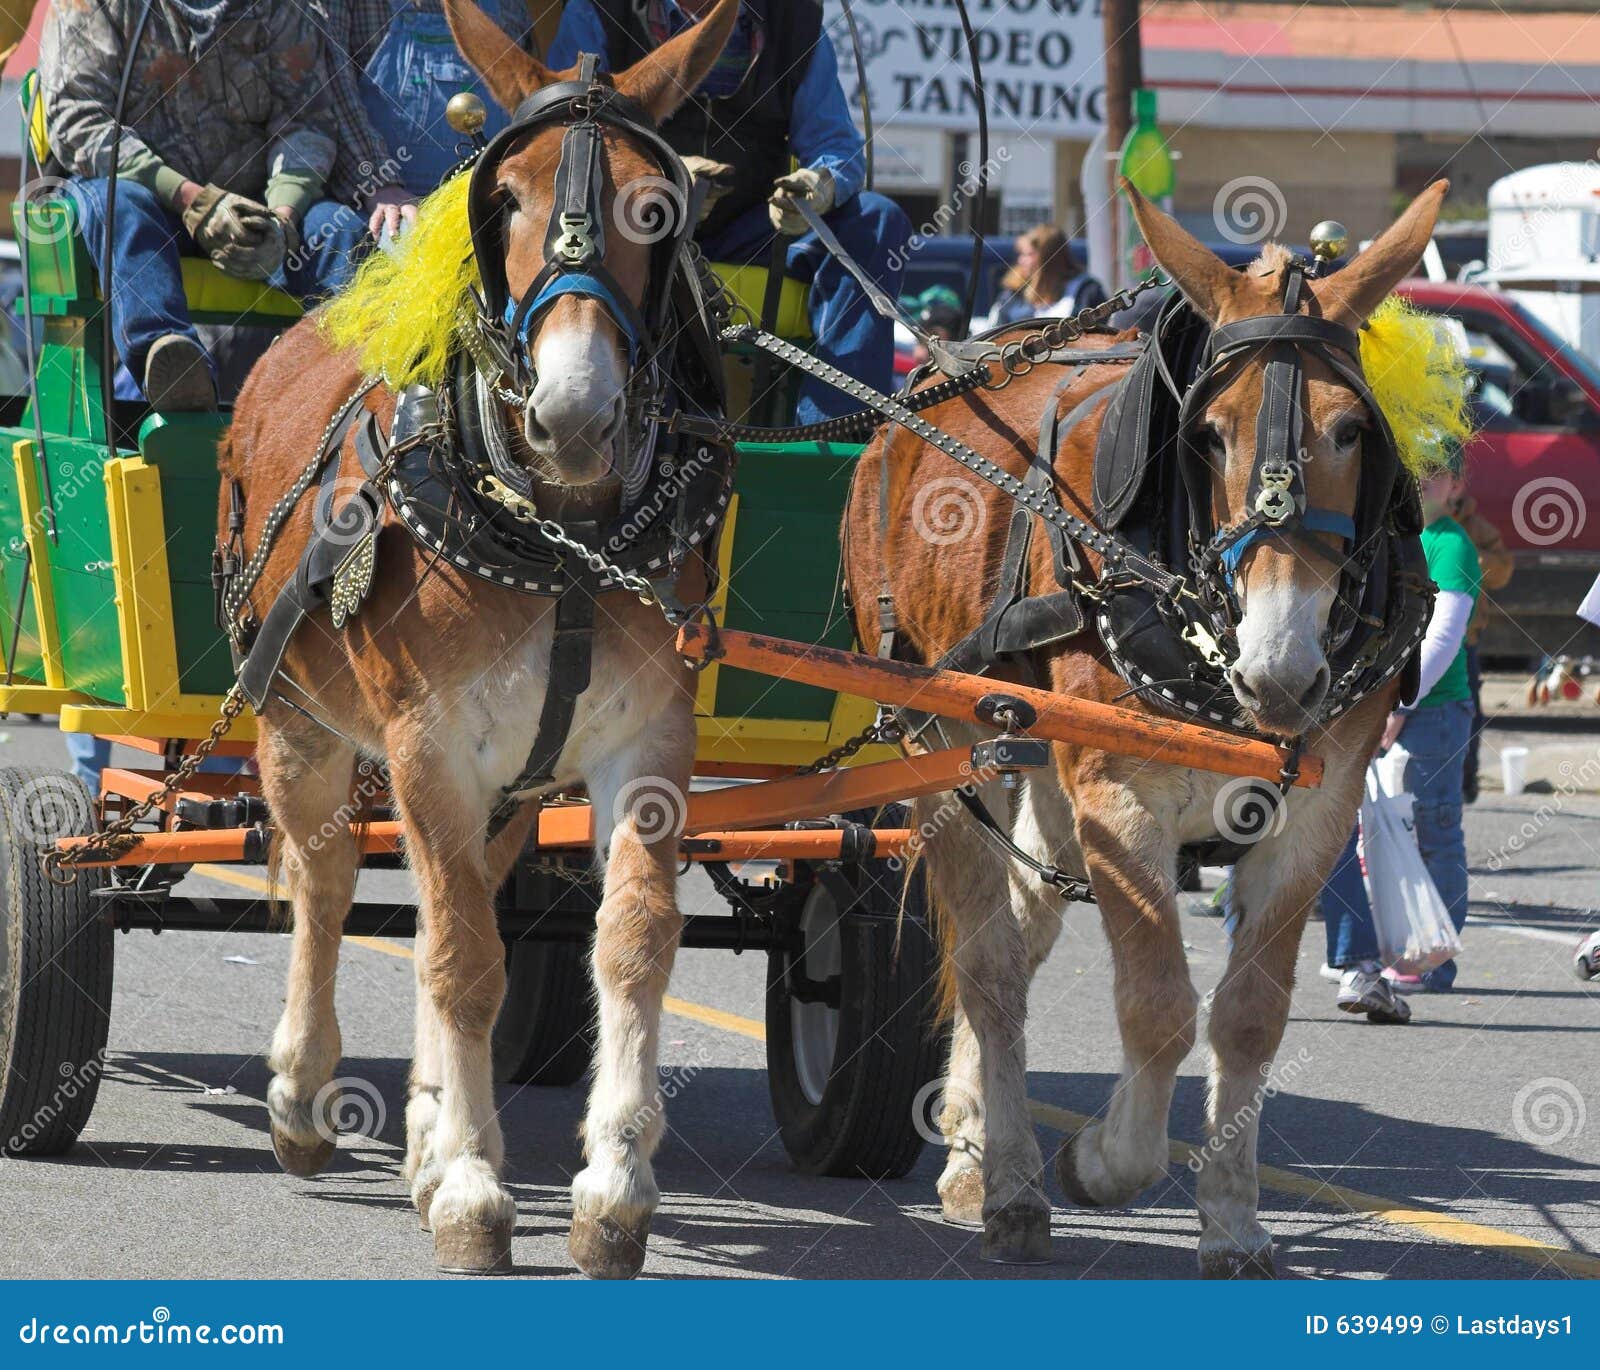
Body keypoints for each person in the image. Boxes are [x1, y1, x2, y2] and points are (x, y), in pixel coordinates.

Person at [546, 0, 909, 424]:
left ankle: (838, 432)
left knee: (876, 219)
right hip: (634, 226)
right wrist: (666, 176)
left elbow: (835, 144)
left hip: (753, 230)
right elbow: (567, 130)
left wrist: (819, 187)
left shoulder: (793, 22)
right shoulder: (598, 11)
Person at [39, 1, 364, 411]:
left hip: (256, 211)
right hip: (146, 199)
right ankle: (172, 363)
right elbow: (78, 121)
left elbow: (308, 118)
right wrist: (192, 198)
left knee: (339, 228)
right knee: (120, 205)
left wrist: (283, 215)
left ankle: (357, 382)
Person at [1321, 461, 1481, 1017]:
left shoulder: (1450, 545)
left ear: (1456, 487)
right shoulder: (1394, 533)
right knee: (1376, 832)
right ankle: (1387, 951)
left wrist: (1400, 702)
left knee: (1435, 832)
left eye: (1436, 475)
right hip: (1385, 706)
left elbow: (1442, 637)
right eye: (1415, 470)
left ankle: (1433, 961)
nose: (1422, 482)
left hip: (1434, 712)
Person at [315, 1, 539, 242]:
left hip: (495, 203)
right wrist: (378, 184)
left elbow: (530, 99)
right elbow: (333, 90)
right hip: (395, 204)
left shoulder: (511, 7)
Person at [1451, 483, 1512, 802]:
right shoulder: (1419, 519)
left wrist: (1470, 557)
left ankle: (1466, 779)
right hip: (1423, 637)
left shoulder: (1477, 527)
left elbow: (1502, 572)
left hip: (1466, 639)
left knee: (1469, 711)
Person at [980, 225, 1106, 330]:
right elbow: (996, 337)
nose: (1021, 260)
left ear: (1049, 259)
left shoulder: (1086, 292)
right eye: (1021, 254)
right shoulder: (1013, 296)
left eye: (1028, 254)